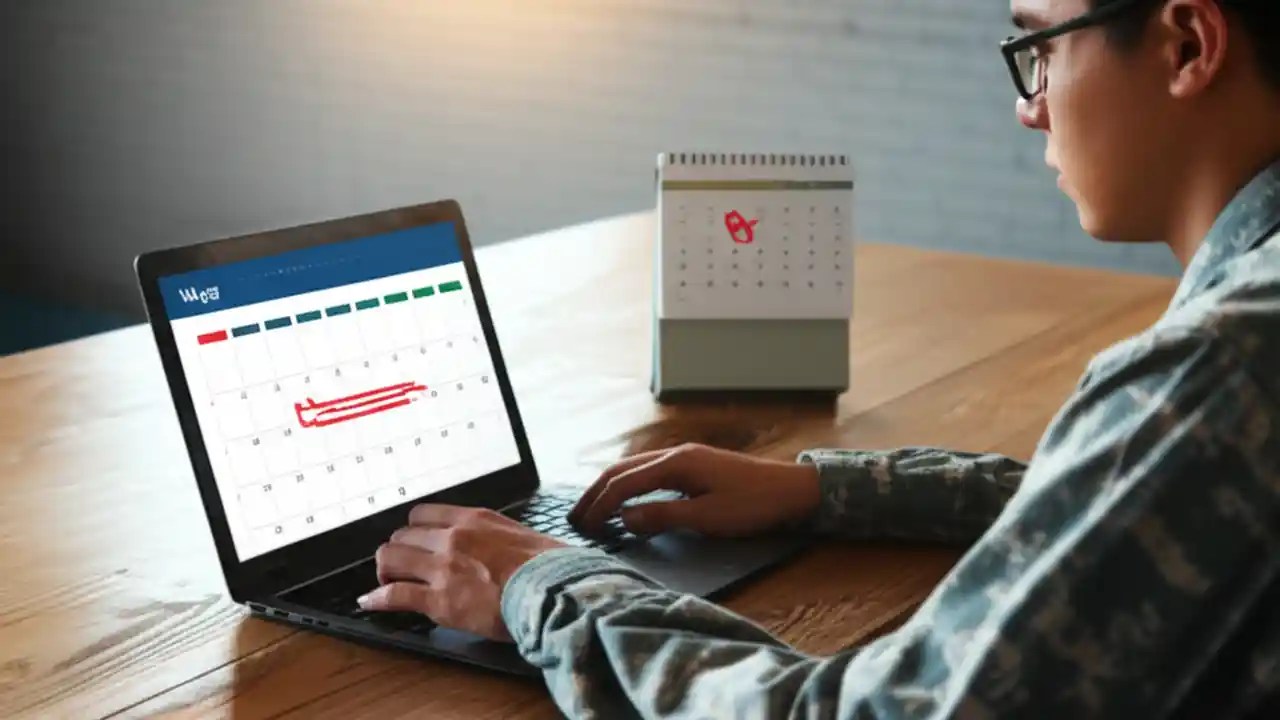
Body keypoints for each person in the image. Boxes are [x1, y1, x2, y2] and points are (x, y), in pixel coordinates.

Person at [358, 0, 1280, 716]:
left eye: (1038, 47)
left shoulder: (1224, 363)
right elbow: (1149, 507)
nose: (1027, 108)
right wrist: (824, 491)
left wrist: (541, 582)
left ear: (1189, 45)